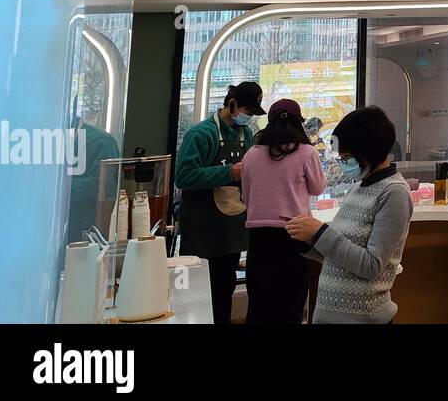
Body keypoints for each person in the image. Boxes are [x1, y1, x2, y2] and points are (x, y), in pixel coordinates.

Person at [286, 106, 412, 324]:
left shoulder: (394, 193)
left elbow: (371, 266)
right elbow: (338, 255)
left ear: (368, 151)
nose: (343, 162)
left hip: (364, 318)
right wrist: (308, 241)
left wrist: (320, 232)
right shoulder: (358, 186)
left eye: (346, 156)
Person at [175, 81, 264, 324]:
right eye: (247, 111)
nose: (248, 117)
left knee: (225, 288)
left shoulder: (245, 134)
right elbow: (183, 177)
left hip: (232, 227)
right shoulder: (202, 134)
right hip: (202, 228)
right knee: (200, 292)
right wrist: (228, 173)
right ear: (232, 103)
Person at [240, 98, 326, 324]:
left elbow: (245, 197)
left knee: (259, 306)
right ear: (299, 123)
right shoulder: (307, 152)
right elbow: (317, 188)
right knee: (291, 307)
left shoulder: (252, 154)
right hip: (294, 235)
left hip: (258, 240)